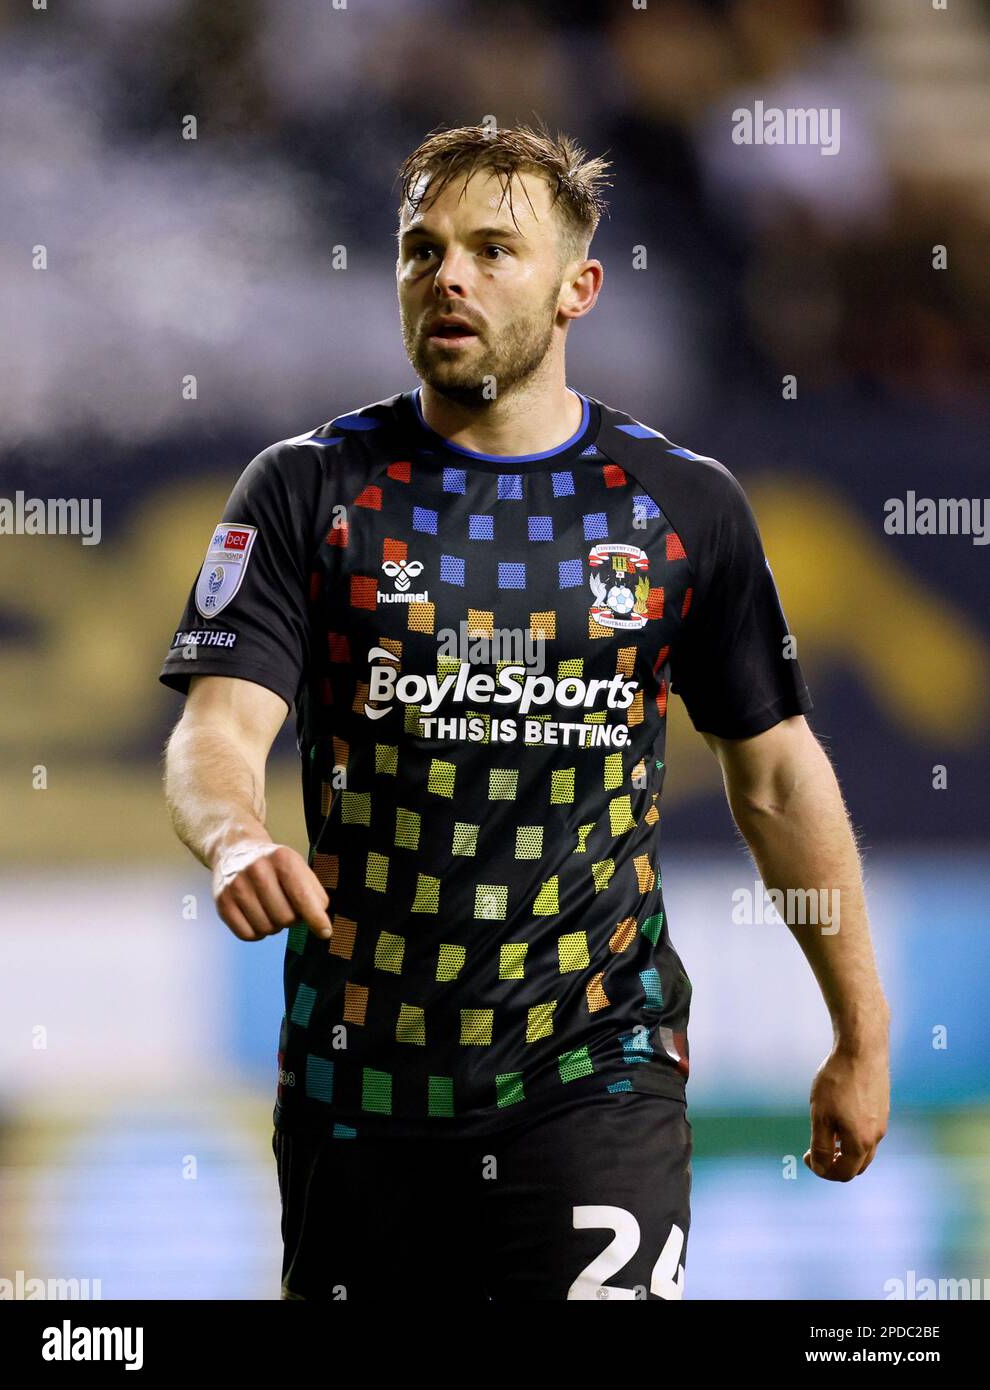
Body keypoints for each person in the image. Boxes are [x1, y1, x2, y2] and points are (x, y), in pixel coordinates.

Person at [159, 123, 890, 1301]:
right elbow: (216, 729)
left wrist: (859, 1029)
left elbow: (775, 776)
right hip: (363, 1086)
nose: (447, 274)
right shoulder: (307, 490)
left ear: (575, 290)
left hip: (594, 1068)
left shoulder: (679, 507)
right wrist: (236, 833)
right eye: (421, 248)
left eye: (493, 249)